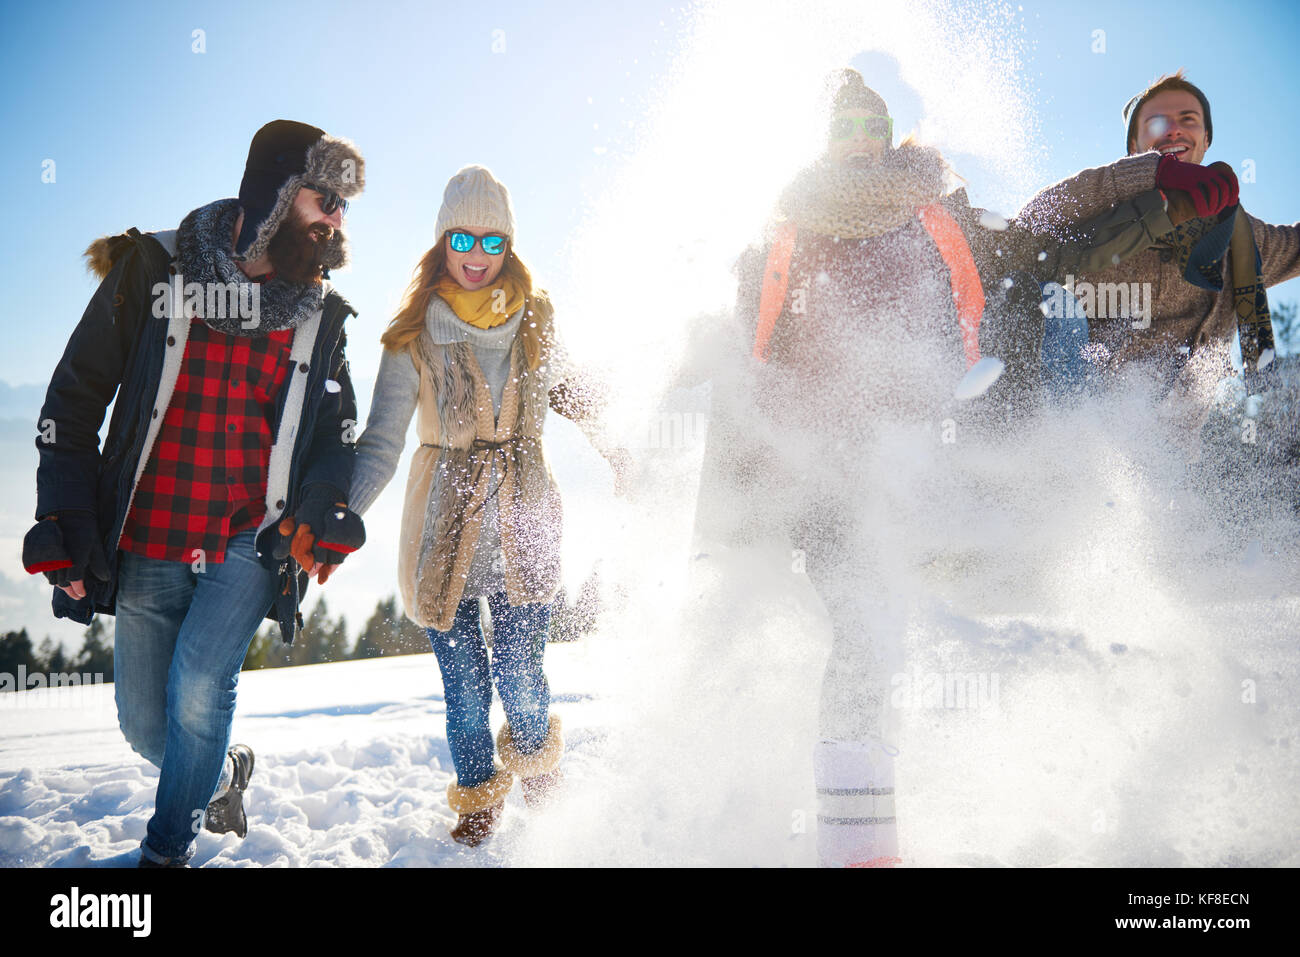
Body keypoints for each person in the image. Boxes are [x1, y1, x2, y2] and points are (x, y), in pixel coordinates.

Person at [22, 120, 368, 867]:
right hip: (152, 530)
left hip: (252, 534)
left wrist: (323, 506)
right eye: (324, 198)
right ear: (275, 195)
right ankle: (222, 774)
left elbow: (336, 433)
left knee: (201, 685)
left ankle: (164, 852)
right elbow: (75, 397)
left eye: (345, 206)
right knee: (147, 724)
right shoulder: (155, 270)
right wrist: (64, 516)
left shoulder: (320, 315)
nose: (337, 220)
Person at [349, 165, 622, 847]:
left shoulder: (536, 320)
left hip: (525, 513)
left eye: (492, 243)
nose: (476, 257)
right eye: (463, 240)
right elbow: (381, 442)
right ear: (442, 243)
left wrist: (628, 448)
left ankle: (538, 770)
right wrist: (339, 519)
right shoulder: (411, 334)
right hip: (442, 526)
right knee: (466, 683)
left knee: (519, 668)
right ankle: (478, 795)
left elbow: (577, 393)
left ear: (510, 247)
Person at [1018, 70, 1300, 393]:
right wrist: (1153, 174)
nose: (1174, 130)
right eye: (1156, 123)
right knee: (1055, 306)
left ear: (1206, 138)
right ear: (1134, 147)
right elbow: (1030, 221)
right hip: (1076, 407)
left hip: (1168, 436)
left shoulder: (1238, 235)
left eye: (1188, 119)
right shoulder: (1102, 203)